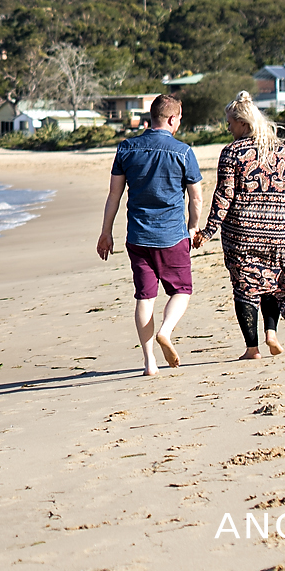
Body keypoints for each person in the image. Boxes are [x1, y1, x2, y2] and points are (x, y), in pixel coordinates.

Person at [194, 90, 285, 360]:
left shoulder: (232, 152)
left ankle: (252, 348)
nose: (228, 128)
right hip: (278, 229)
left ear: (243, 123)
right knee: (271, 282)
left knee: (245, 285)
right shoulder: (280, 150)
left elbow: (224, 195)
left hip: (241, 231)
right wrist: (275, 212)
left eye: (230, 124)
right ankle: (272, 333)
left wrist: (208, 232)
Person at [96, 93, 204, 376]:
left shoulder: (126, 149)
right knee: (181, 290)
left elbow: (114, 196)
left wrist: (105, 233)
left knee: (145, 298)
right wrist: (193, 226)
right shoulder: (183, 152)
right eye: (179, 118)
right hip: (172, 236)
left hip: (138, 237)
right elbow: (196, 199)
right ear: (171, 119)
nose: (179, 122)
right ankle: (166, 331)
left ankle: (149, 363)